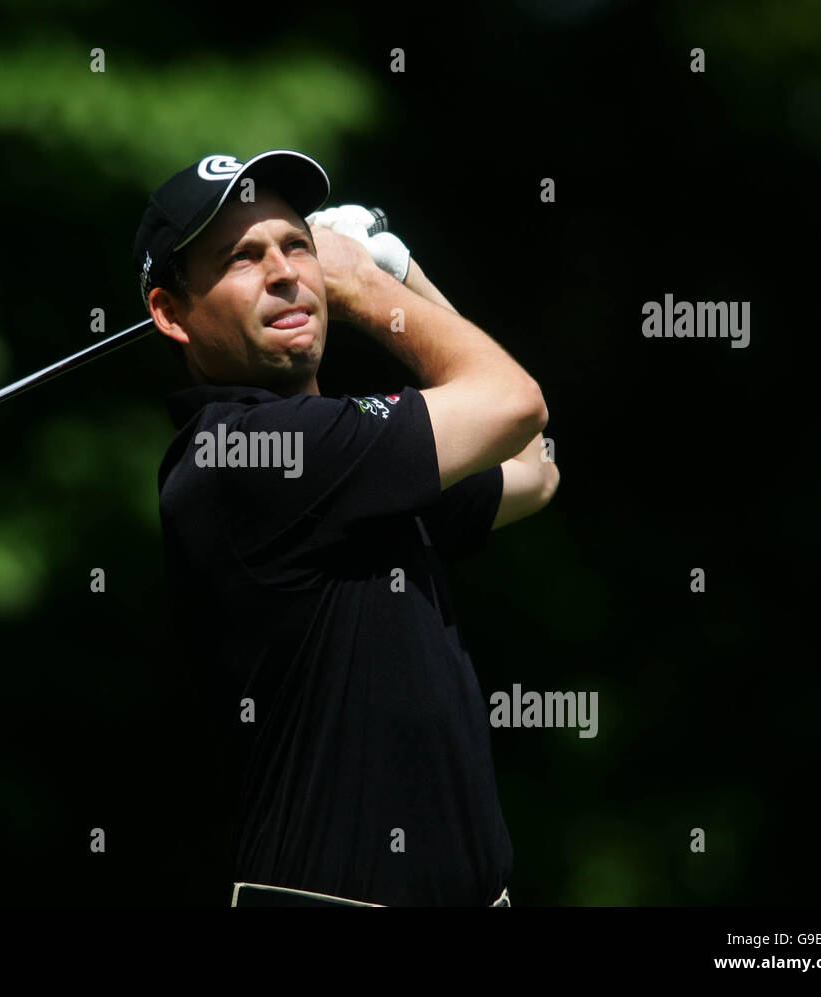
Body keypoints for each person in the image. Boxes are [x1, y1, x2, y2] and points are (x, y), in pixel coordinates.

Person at [135, 150, 557, 906]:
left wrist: (399, 270)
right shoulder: (243, 454)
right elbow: (515, 402)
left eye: (297, 245)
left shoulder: (350, 452)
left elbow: (535, 465)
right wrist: (371, 284)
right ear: (171, 312)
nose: (286, 272)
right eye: (241, 257)